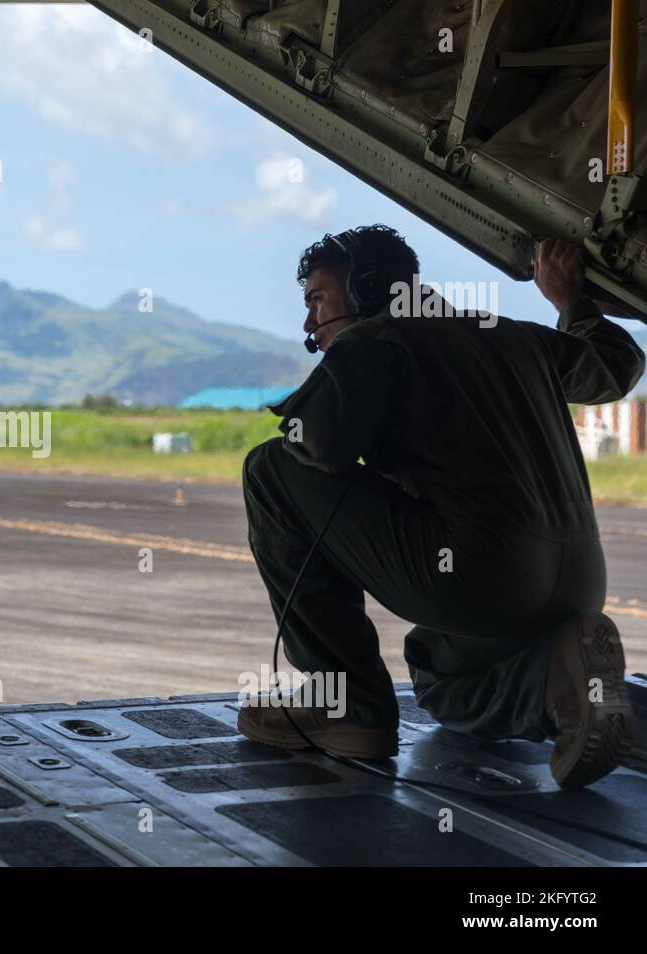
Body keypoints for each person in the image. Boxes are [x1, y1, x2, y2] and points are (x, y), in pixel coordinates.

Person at [238, 224, 644, 788]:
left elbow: (321, 444)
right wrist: (570, 300)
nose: (310, 324)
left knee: (269, 469)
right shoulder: (516, 335)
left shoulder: (375, 339)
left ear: (369, 287)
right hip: (579, 588)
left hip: (481, 576)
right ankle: (556, 679)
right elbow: (617, 363)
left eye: (317, 300)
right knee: (437, 678)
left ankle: (347, 708)